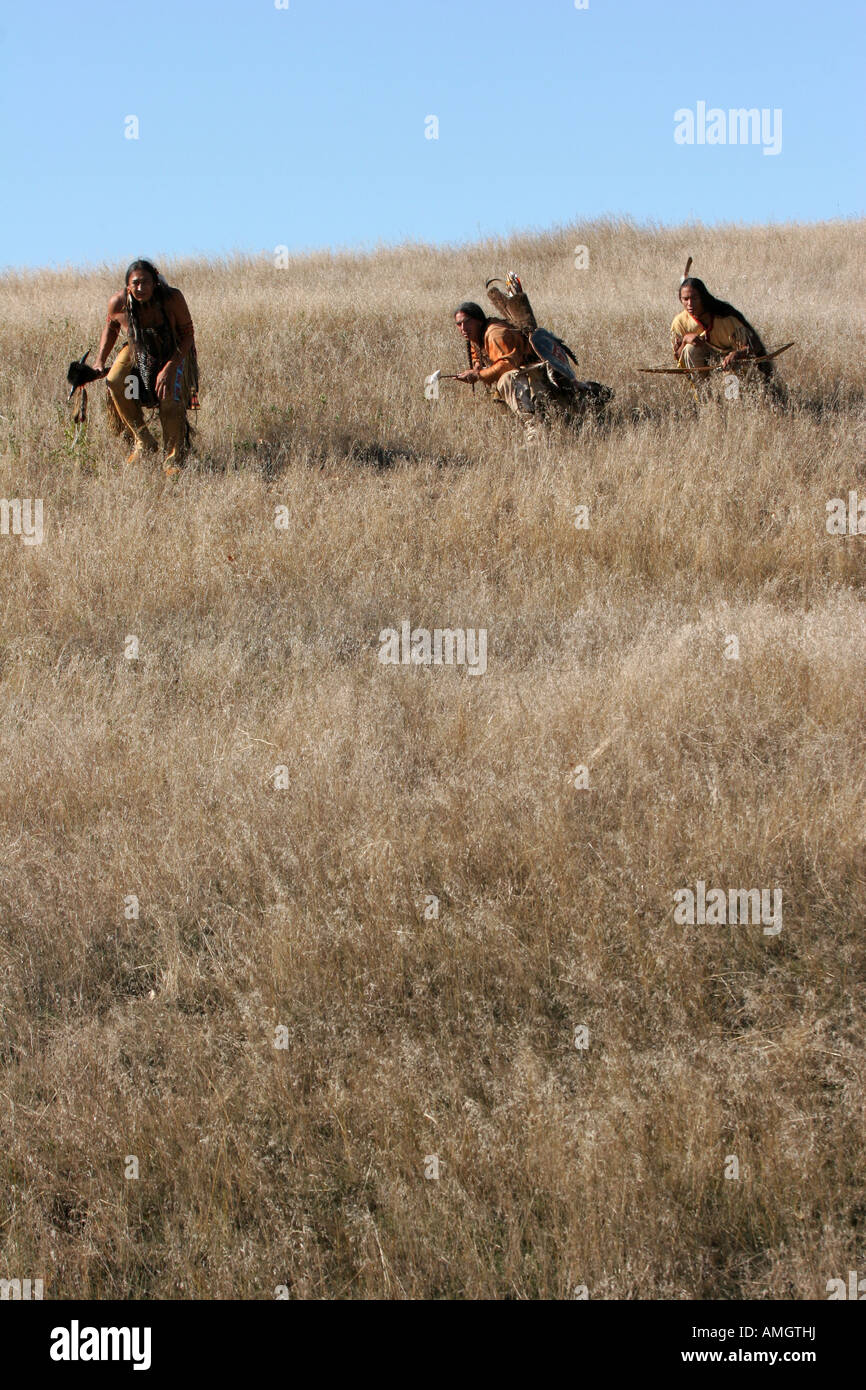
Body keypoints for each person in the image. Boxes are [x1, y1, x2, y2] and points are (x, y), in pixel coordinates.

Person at [91, 260, 198, 475]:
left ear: (155, 281)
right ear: (128, 286)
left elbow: (187, 334)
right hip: (137, 349)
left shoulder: (172, 298)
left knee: (170, 401)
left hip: (174, 351)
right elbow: (111, 327)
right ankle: (143, 441)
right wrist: (99, 361)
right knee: (114, 380)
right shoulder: (118, 302)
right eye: (135, 283)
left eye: (145, 282)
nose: (140, 288)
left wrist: (169, 369)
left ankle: (173, 460)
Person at [453, 301, 552, 441]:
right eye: (459, 324)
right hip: (524, 374)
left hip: (536, 373)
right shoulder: (475, 336)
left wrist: (478, 375)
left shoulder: (494, 334)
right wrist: (476, 369)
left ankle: (534, 428)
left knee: (507, 379)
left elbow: (508, 364)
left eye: (467, 322)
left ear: (478, 321)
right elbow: (477, 356)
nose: (463, 328)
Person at [670, 277, 778, 395]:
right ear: (680, 300)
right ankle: (703, 398)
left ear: (703, 298)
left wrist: (737, 354)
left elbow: (754, 346)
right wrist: (685, 340)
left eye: (695, 298)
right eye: (685, 299)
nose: (690, 303)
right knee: (689, 349)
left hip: (731, 361)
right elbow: (679, 357)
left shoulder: (725, 318)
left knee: (731, 380)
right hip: (704, 362)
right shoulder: (679, 322)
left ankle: (734, 404)